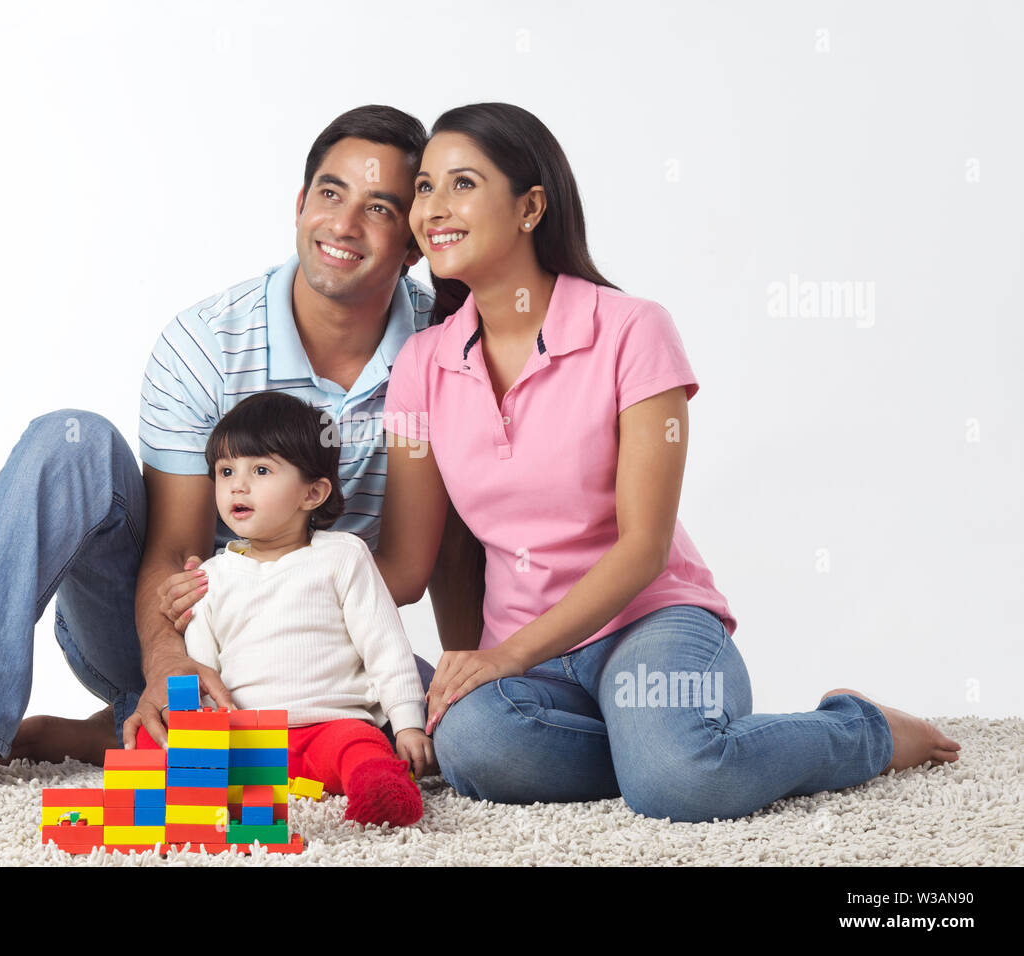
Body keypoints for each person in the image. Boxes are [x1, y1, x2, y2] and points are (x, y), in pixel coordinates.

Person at [0, 104, 481, 816]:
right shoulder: (205, 342)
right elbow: (173, 548)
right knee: (68, 440)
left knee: (458, 737)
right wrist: (171, 663)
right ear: (299, 205)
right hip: (165, 617)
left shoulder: (443, 347)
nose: (343, 226)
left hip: (320, 643)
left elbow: (425, 557)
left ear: (413, 242)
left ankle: (117, 732)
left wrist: (454, 666)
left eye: (378, 208)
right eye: (329, 193)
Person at [374, 102, 962, 822]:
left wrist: (502, 660)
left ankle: (859, 728)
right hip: (531, 662)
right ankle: (661, 754)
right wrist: (259, 572)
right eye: (425, 188)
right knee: (473, 748)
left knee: (678, 784)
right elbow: (412, 561)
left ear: (530, 207)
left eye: (462, 184)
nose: (434, 208)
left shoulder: (631, 330)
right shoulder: (420, 366)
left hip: (649, 623)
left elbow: (645, 549)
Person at [180, 390, 431, 826]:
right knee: (157, 740)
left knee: (362, 748)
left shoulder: (343, 556)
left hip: (329, 727)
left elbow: (384, 646)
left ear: (312, 493)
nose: (237, 485)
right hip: (247, 740)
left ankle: (381, 792)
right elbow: (203, 670)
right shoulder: (213, 575)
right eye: (225, 471)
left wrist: (407, 722)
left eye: (260, 470)